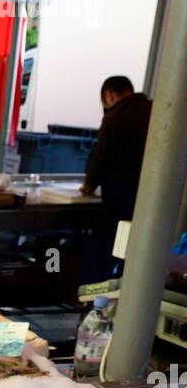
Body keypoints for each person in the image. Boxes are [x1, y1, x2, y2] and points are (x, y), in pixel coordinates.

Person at [81, 75, 153, 283]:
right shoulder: (154, 110)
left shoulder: (115, 116)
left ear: (109, 96)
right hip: (147, 196)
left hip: (120, 194)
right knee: (132, 248)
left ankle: (92, 294)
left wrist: (89, 185)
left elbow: (101, 154)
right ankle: (124, 291)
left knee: (105, 245)